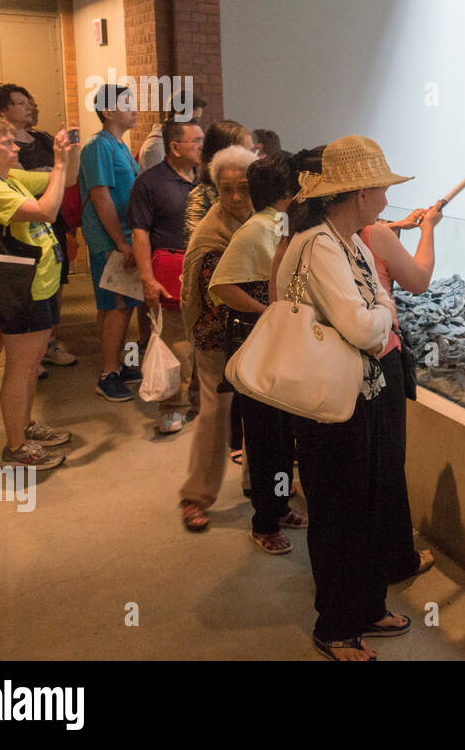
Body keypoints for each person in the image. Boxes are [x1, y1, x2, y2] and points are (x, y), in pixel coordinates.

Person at [276, 136, 412, 660]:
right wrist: (380, 320)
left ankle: (368, 604)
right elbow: (365, 322)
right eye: (381, 185)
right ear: (359, 192)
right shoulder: (319, 244)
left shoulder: (349, 239)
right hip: (332, 404)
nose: (386, 194)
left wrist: (376, 317)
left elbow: (375, 304)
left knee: (371, 502)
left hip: (362, 396)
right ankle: (335, 625)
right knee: (339, 512)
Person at [0, 115, 76, 469]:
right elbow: (47, 208)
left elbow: (66, 180)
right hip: (21, 289)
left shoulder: (8, 178)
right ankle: (15, 447)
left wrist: (68, 150)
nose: (15, 148)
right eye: (6, 143)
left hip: (40, 282)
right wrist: (56, 161)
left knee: (29, 365)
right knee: (21, 368)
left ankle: (25, 426)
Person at [210, 152, 307, 553]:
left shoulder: (282, 226)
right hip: (258, 343)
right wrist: (267, 311)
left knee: (284, 436)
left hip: (279, 343)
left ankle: (279, 506)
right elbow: (223, 285)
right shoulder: (255, 230)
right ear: (287, 191)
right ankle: (264, 521)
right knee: (267, 439)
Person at [358, 203, 443, 581]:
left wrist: (397, 225)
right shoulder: (375, 235)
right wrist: (429, 229)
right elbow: (419, 279)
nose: (387, 192)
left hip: (337, 365)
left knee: (358, 462)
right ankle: (396, 559)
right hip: (378, 357)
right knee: (388, 459)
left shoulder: (308, 232)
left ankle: (360, 553)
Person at [177, 145, 257, 532]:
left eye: (243, 187)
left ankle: (261, 484)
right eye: (227, 189)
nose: (236, 197)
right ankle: (196, 496)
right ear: (217, 190)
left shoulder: (264, 221)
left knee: (262, 412)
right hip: (217, 337)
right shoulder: (212, 232)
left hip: (258, 335)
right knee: (214, 413)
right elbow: (213, 294)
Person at [0, 83, 79, 370]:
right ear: (2, 109)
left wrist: (71, 150)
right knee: (21, 285)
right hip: (22, 225)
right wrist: (53, 173)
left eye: (29, 101)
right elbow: (21, 181)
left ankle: (48, 340)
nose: (30, 107)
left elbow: (69, 178)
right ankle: (25, 350)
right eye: (21, 103)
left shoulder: (41, 138)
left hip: (51, 224)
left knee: (55, 280)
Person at [128, 118, 204, 434]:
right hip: (170, 273)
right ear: (174, 147)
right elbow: (140, 232)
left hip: (205, 272)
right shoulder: (150, 183)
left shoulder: (205, 179)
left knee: (204, 342)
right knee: (177, 344)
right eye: (196, 141)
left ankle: (202, 402)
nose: (202, 146)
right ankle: (173, 406)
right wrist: (147, 278)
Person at [79, 85, 143, 402]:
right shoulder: (98, 146)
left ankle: (116, 362)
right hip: (110, 239)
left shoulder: (118, 145)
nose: (134, 108)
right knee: (116, 305)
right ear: (108, 111)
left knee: (118, 304)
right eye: (126, 103)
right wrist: (119, 241)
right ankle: (109, 373)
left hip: (124, 237)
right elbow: (100, 195)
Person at [182, 120, 252, 242]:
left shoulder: (256, 190)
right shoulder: (200, 197)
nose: (252, 158)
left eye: (251, 151)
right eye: (245, 152)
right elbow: (196, 246)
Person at [138, 92, 206, 171]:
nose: (196, 125)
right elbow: (159, 181)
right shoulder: (157, 147)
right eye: (194, 119)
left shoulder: (175, 139)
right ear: (178, 115)